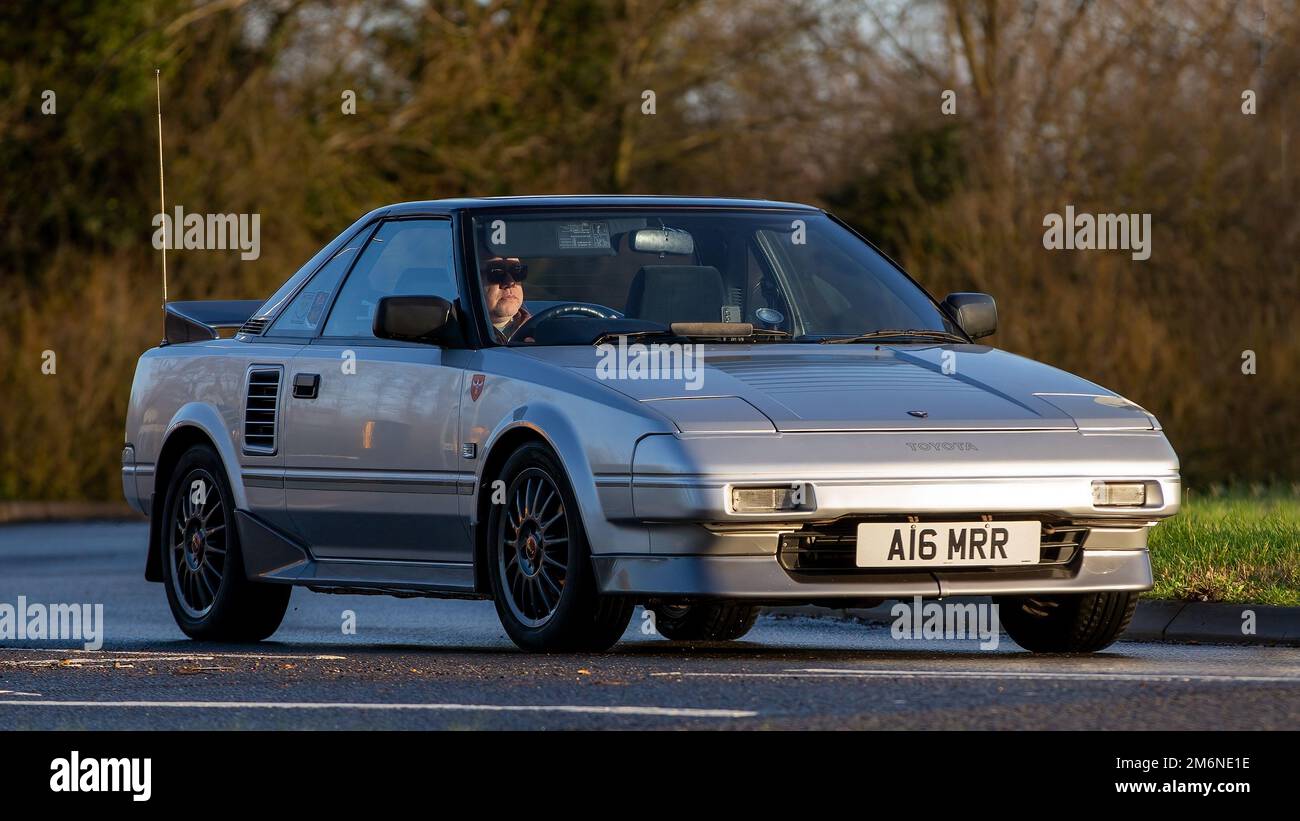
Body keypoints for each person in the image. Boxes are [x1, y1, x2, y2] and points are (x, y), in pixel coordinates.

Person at [482, 256, 531, 341]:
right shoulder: (453, 336)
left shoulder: (542, 334)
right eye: (497, 273)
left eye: (517, 271)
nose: (510, 282)